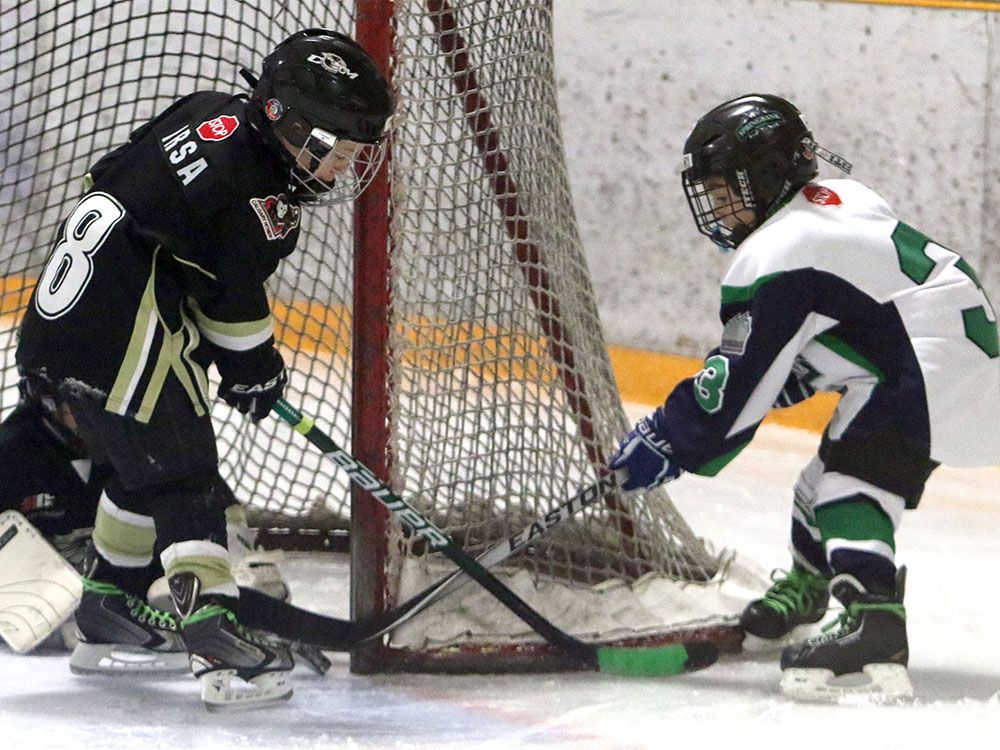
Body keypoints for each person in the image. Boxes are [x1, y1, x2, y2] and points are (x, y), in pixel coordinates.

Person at [9, 28, 393, 706]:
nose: (342, 169)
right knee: (186, 479)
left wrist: (240, 363)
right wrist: (254, 372)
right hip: (125, 340)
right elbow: (230, 299)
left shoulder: (207, 111)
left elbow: (117, 179)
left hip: (52, 327)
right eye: (335, 150)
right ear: (286, 122)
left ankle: (107, 611)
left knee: (140, 471)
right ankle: (217, 642)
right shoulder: (259, 200)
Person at [608, 93, 1000, 700]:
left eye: (727, 191)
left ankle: (874, 622)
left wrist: (669, 437)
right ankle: (810, 588)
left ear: (765, 177)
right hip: (951, 360)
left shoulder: (778, 250)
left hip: (931, 372)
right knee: (816, 487)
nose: (719, 209)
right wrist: (798, 372)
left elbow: (736, 384)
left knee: (850, 485)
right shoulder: (838, 199)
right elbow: (868, 315)